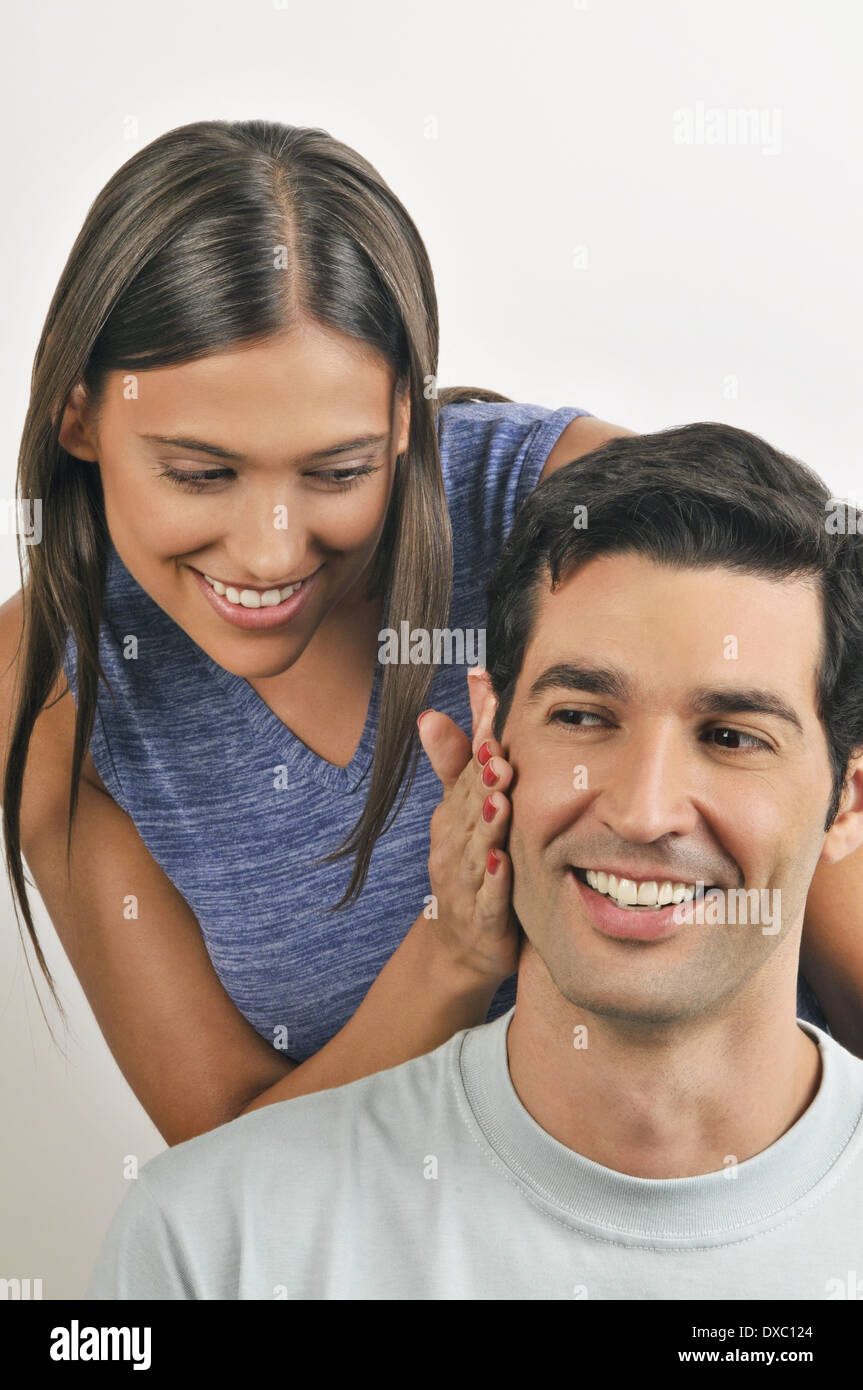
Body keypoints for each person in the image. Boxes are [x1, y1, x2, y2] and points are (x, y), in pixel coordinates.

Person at [86, 422, 863, 1300]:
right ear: (488, 730)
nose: (643, 811)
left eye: (729, 736)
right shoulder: (208, 1240)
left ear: (849, 798)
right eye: (581, 717)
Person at [0, 116, 632, 1148]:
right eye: (199, 473)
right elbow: (225, 1161)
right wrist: (452, 951)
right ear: (79, 421)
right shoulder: (47, 689)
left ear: (401, 419)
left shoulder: (565, 508)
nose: (268, 550)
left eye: (337, 471)